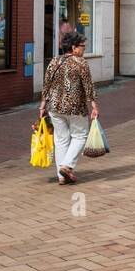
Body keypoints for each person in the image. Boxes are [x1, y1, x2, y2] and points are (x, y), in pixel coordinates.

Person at [40, 30, 98, 185]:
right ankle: (67, 166)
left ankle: (61, 176)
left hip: (54, 107)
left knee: (61, 140)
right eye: (82, 46)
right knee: (80, 136)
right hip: (75, 107)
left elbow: (46, 84)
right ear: (73, 47)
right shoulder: (80, 63)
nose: (84, 49)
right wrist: (94, 106)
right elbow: (88, 86)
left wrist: (42, 105)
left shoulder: (54, 61)